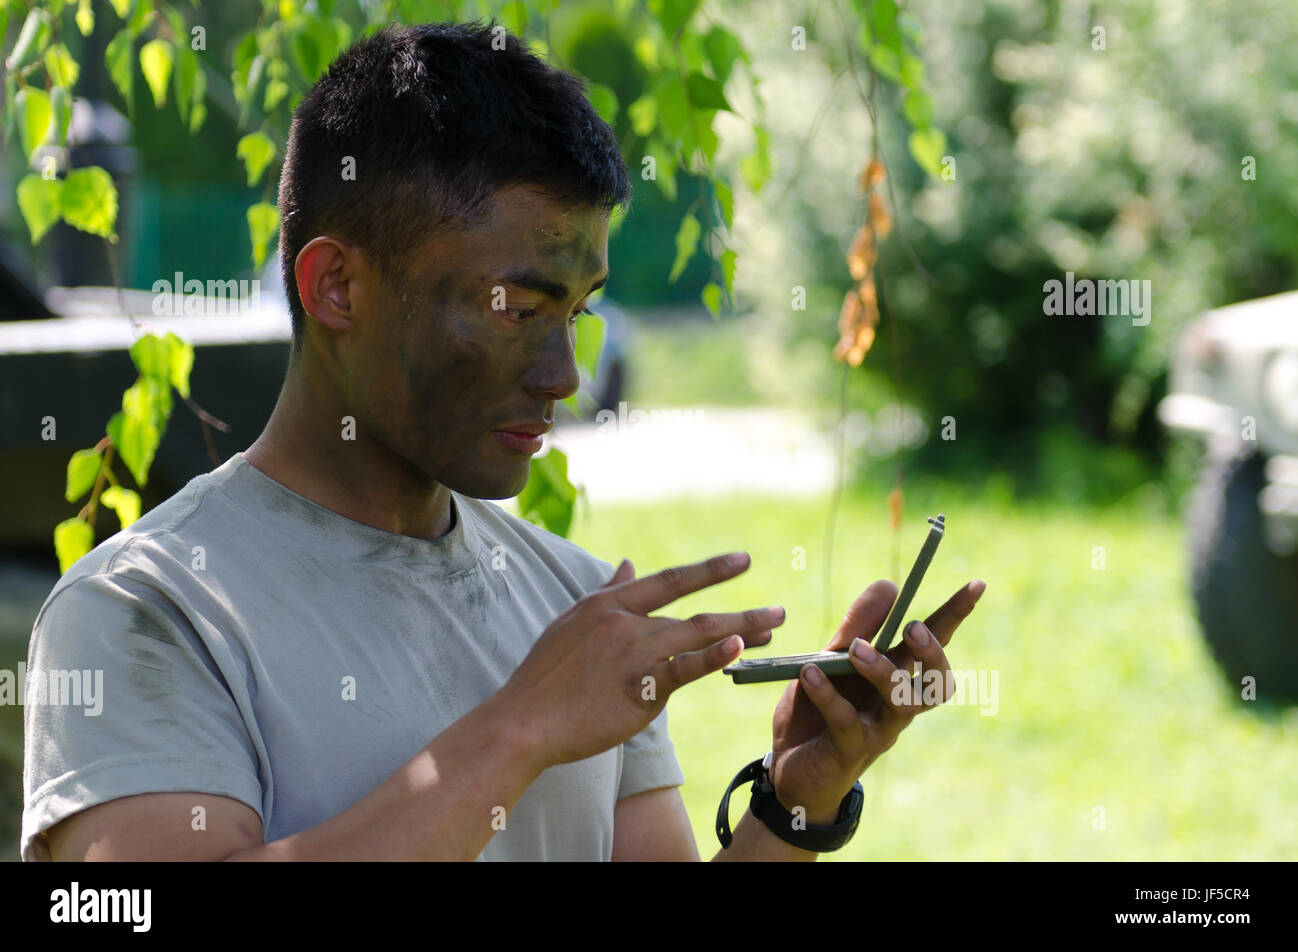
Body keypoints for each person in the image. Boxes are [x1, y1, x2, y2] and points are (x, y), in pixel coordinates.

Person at [21, 21, 984, 862]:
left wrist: (794, 801)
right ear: (336, 287)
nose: (564, 374)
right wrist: (521, 728)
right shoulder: (145, 612)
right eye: (517, 306)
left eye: (578, 308)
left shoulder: (574, 604)